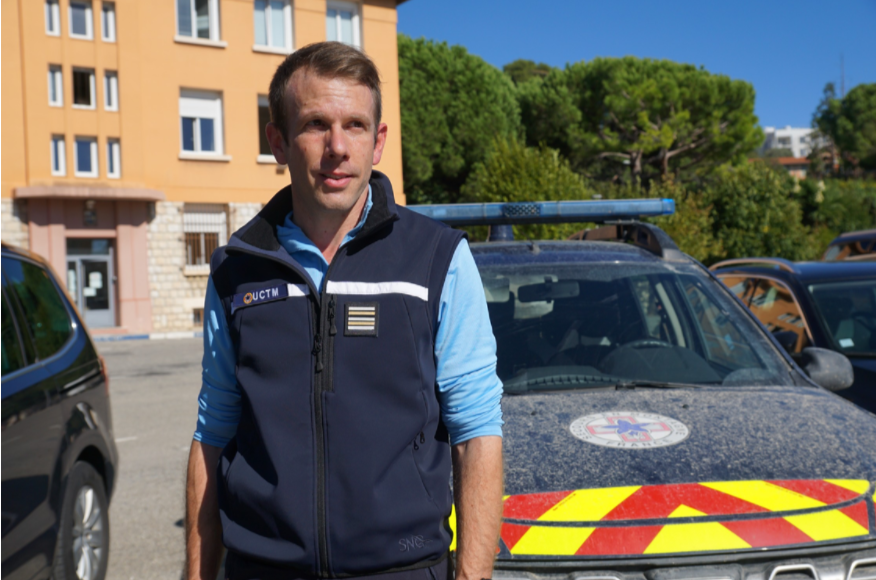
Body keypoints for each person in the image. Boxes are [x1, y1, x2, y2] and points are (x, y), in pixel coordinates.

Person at [185, 42, 504, 580]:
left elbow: (477, 435)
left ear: (378, 142)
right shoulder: (235, 270)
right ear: (278, 142)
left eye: (355, 125)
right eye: (315, 124)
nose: (337, 147)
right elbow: (212, 435)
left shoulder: (438, 259)